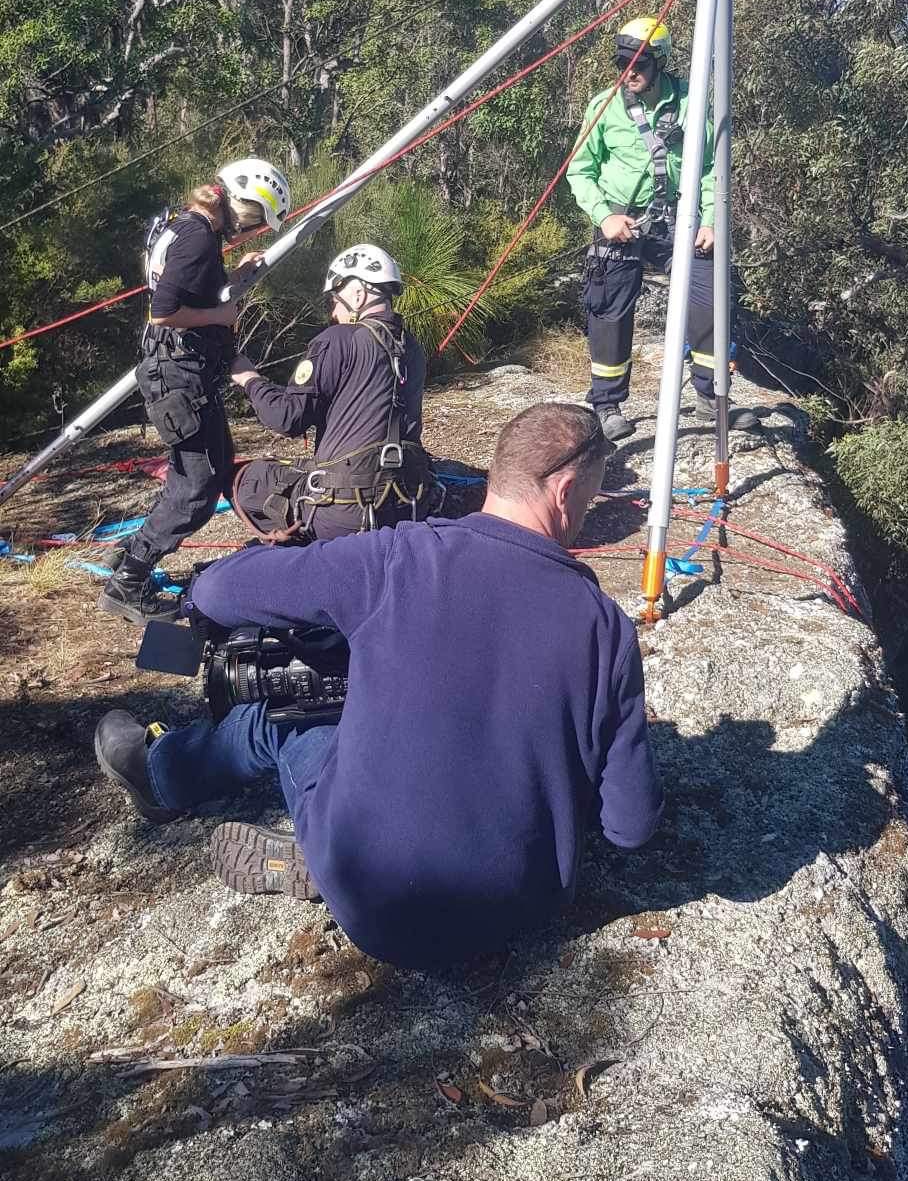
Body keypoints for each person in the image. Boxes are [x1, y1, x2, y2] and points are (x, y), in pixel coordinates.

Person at [93, 402, 664, 973]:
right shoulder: (605, 624)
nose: (582, 516)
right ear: (565, 492)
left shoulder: (400, 558)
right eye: (588, 502)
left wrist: (205, 600)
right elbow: (631, 827)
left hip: (379, 904)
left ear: (498, 474)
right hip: (522, 911)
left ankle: (162, 773)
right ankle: (330, 855)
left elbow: (218, 592)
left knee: (280, 715)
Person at [98, 156, 291, 623]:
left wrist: (234, 278)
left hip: (182, 371)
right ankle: (129, 581)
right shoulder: (200, 237)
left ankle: (129, 554)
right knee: (196, 487)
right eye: (256, 224)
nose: (252, 234)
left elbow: (189, 288)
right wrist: (221, 317)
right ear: (242, 208)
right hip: (177, 372)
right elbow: (163, 310)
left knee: (214, 465)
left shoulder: (188, 228)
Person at [567, 17, 743, 444]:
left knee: (710, 294)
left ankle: (710, 396)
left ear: (659, 62)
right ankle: (607, 404)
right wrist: (604, 217)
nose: (630, 73)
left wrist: (710, 219)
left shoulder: (693, 102)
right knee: (609, 307)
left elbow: (710, 169)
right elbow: (580, 170)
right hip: (620, 221)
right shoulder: (604, 107)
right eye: (623, 64)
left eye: (639, 65)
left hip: (679, 220)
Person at [228, 242, 437, 543]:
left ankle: (293, 553)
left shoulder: (338, 340)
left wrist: (249, 378)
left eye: (334, 300)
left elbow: (286, 418)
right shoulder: (413, 349)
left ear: (358, 293)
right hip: (410, 502)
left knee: (242, 479)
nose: (333, 311)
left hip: (342, 513)